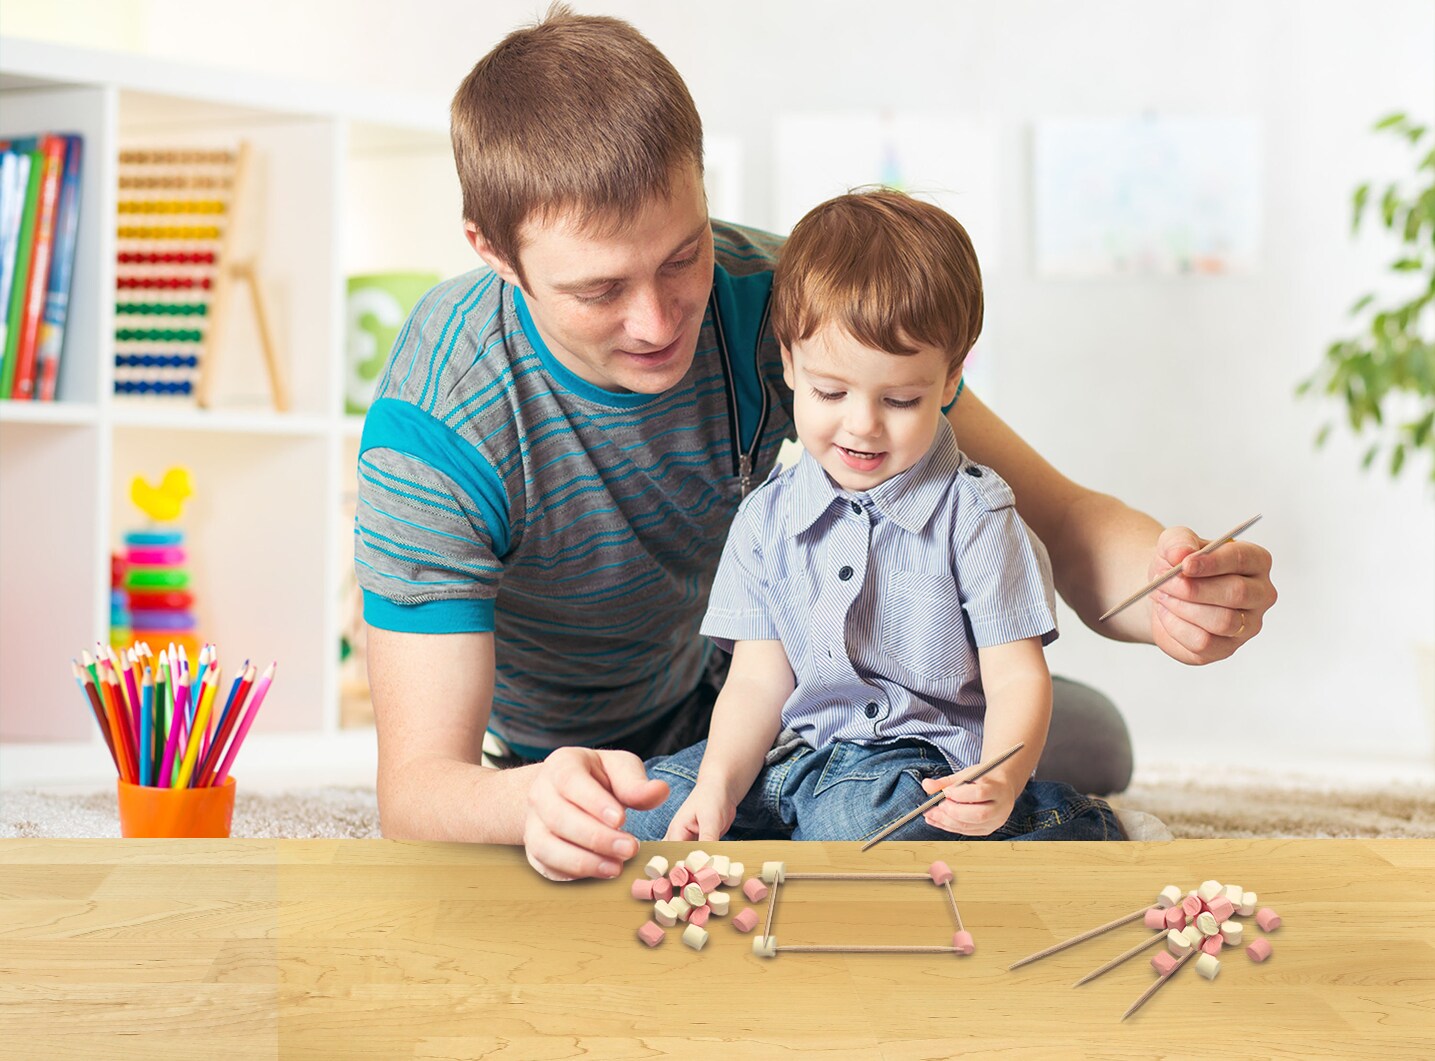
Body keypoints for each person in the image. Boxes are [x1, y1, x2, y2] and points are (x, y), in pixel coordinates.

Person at [355, 6, 1276, 880]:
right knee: (659, 811)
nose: (657, 319)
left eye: (682, 255)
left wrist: (1172, 596)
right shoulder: (437, 425)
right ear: (493, 251)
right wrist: (528, 801)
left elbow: (1061, 517)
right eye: (599, 290)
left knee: (1089, 741)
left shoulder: (781, 303)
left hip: (792, 693)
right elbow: (419, 789)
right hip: (587, 746)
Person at [622, 188, 1120, 844]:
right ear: (790, 363)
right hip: (794, 759)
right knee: (646, 806)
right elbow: (754, 680)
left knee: (855, 822)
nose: (862, 425)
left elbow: (1016, 674)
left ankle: (1061, 818)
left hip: (917, 765)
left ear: (947, 383)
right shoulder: (764, 517)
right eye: (831, 391)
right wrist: (716, 784)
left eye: (901, 399)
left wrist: (997, 781)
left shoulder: (974, 514)